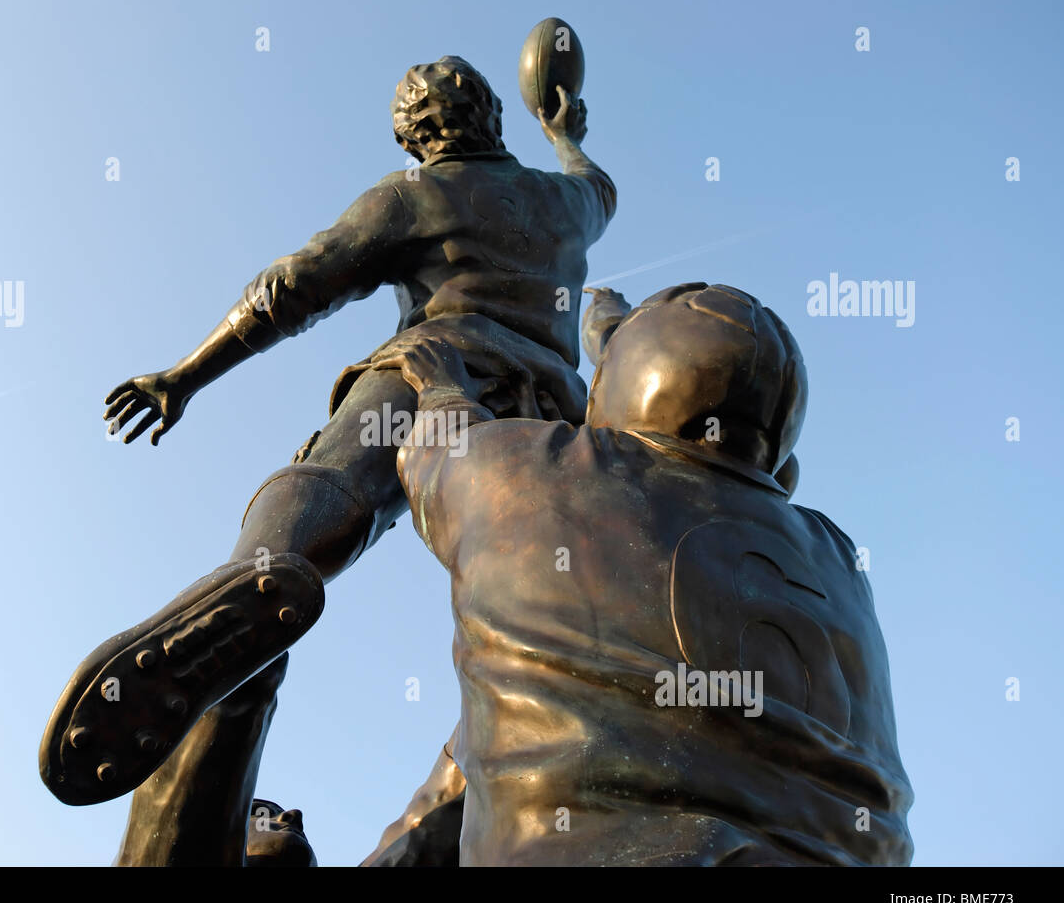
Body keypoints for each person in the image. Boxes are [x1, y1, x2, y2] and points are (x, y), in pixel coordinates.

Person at [41, 56, 616, 810]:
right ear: (492, 117)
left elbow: (290, 290)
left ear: (415, 139)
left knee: (342, 478)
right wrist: (562, 134)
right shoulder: (563, 203)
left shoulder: (417, 196)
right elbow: (601, 187)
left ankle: (260, 570)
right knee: (554, 602)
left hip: (442, 367)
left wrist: (183, 377)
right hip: (551, 424)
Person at [375, 283, 914, 865]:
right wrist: (611, 325)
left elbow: (438, 448)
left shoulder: (519, 470)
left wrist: (442, 384)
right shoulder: (837, 558)